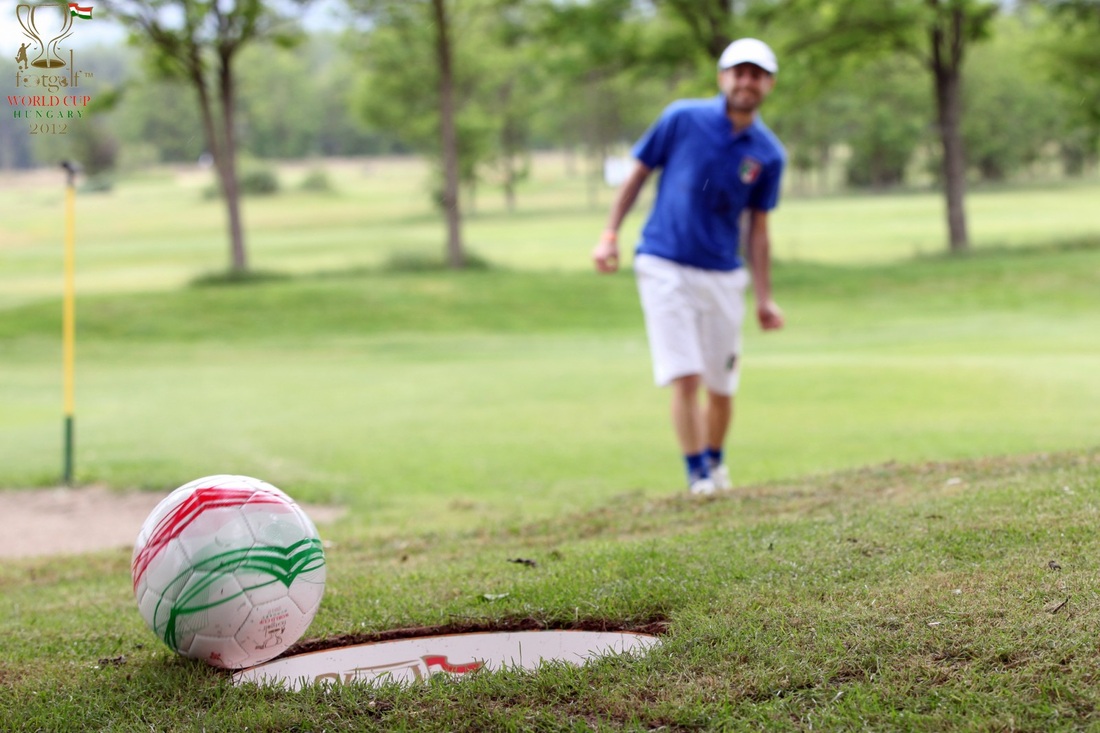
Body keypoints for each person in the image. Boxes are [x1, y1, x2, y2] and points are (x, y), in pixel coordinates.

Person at [591, 38, 786, 496]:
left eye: (756, 74)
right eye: (738, 72)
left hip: (722, 271)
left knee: (721, 385)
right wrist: (608, 234)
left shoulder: (768, 154)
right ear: (723, 77)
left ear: (768, 85)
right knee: (686, 375)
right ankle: (697, 472)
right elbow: (637, 174)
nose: (746, 81)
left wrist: (764, 297)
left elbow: (758, 229)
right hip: (664, 260)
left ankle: (715, 462)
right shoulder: (682, 118)